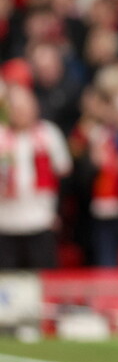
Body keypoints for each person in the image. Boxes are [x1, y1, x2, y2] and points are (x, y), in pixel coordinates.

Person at [0, 84, 72, 269]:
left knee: (42, 281)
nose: (20, 113)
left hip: (40, 220)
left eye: (24, 108)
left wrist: (56, 212)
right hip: (5, 223)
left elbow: (64, 175)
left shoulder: (48, 133)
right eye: (15, 109)